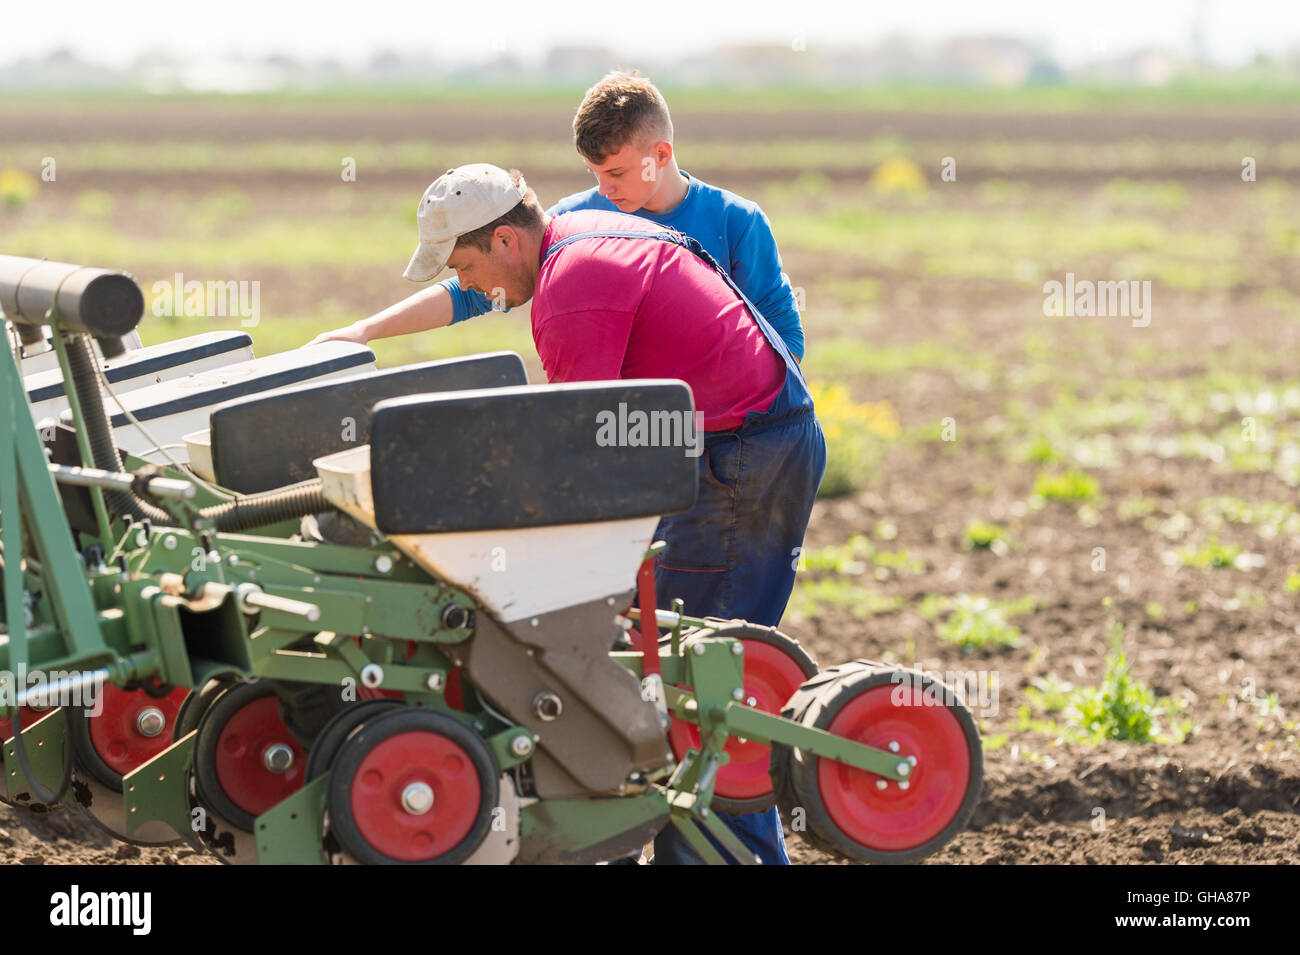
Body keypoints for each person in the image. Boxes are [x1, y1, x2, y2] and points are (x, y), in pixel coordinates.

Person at [397, 162, 825, 865]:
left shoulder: (570, 288)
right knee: (657, 671)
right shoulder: (571, 236)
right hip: (715, 449)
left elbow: (580, 455)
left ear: (506, 240)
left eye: (466, 266)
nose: (471, 286)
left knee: (701, 688)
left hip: (744, 461)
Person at [309, 70, 804, 361]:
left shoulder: (738, 221)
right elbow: (475, 293)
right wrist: (365, 331)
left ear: (661, 152)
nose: (604, 190)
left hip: (726, 440)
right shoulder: (580, 219)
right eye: (593, 173)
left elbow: (786, 342)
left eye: (616, 173)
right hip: (633, 435)